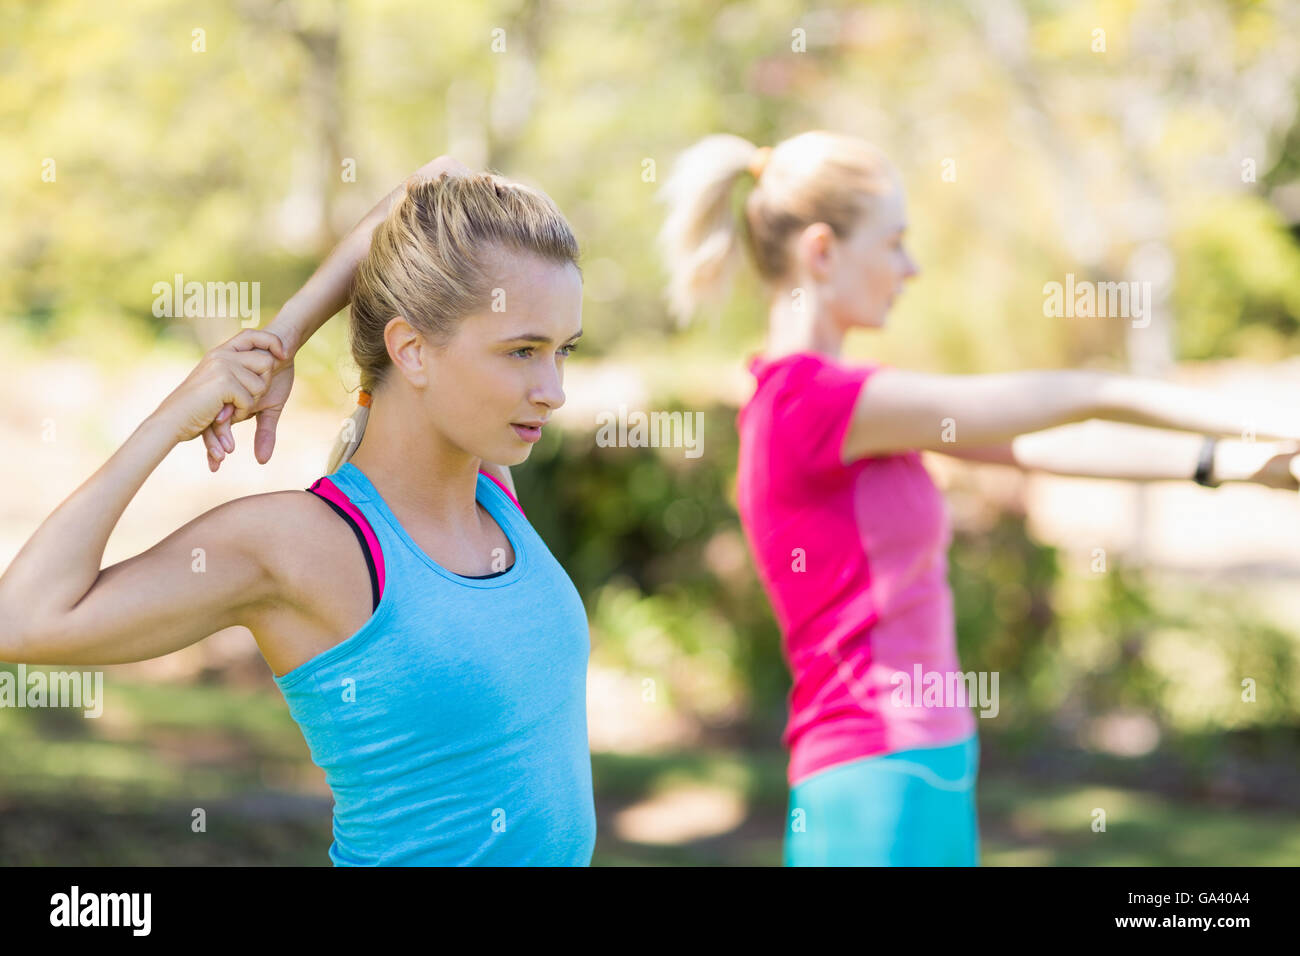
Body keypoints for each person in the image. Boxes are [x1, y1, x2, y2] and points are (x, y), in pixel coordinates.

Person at [654, 130, 1300, 866]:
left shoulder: (847, 406)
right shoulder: (811, 402)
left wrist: (1235, 464)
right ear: (823, 253)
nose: (912, 267)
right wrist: (1272, 416)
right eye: (895, 243)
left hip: (920, 761)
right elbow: (1080, 398)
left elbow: (1044, 446)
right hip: (874, 777)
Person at [0, 158, 595, 866]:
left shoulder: (491, 496)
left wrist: (283, 337)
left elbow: (433, 180)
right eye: (524, 350)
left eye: (563, 351)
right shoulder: (305, 546)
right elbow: (23, 621)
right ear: (411, 350)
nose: (552, 389)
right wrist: (170, 418)